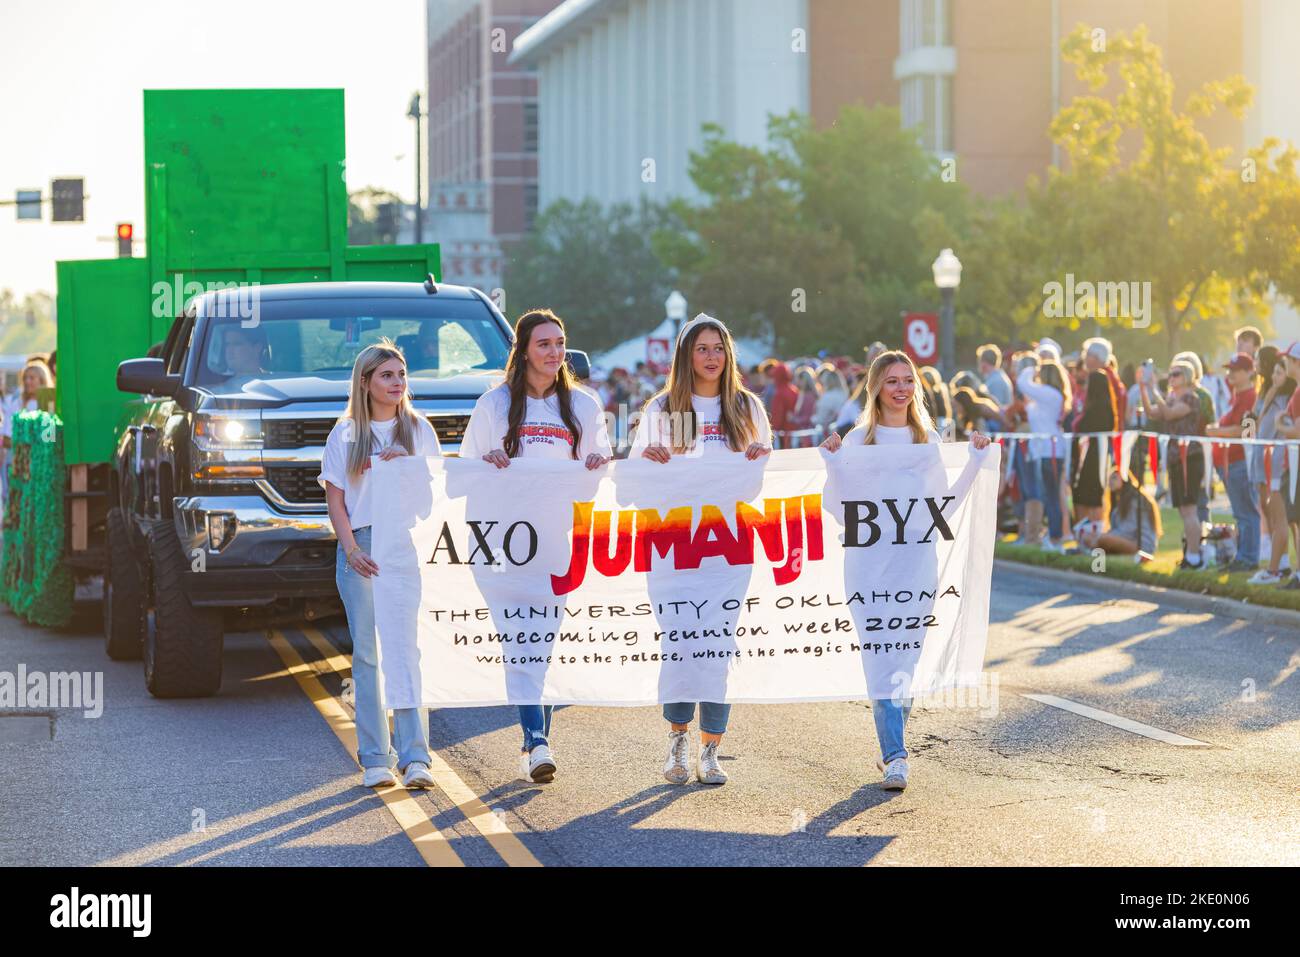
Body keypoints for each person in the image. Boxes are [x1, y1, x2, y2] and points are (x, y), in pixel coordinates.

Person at [821, 351, 990, 791]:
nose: (901, 388)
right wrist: (836, 466)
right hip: (869, 569)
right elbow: (839, 509)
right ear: (876, 387)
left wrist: (973, 463)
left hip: (916, 566)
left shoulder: (927, 439)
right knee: (880, 657)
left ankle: (893, 740)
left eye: (907, 380)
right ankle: (895, 755)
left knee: (906, 660)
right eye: (891, 381)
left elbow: (944, 506)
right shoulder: (857, 442)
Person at [460, 309, 612, 783]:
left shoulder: (584, 406)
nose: (554, 352)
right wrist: (487, 461)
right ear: (523, 349)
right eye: (543, 343)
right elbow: (464, 476)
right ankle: (537, 740)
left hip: (556, 541)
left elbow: (595, 483)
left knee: (540, 645)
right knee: (518, 641)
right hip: (502, 544)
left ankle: (531, 743)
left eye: (560, 343)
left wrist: (592, 465)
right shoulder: (494, 404)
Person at [631, 313, 772, 786]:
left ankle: (711, 748)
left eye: (719, 348)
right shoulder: (663, 409)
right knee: (679, 640)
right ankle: (677, 738)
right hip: (673, 544)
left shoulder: (746, 408)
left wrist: (757, 460)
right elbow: (634, 486)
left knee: (717, 643)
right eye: (702, 348)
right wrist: (647, 459)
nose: (712, 357)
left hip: (729, 545)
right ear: (686, 355)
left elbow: (762, 487)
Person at [319, 339, 442, 790]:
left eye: (402, 374)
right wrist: (351, 549)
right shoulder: (347, 433)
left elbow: (432, 502)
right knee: (368, 653)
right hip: (364, 545)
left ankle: (415, 757)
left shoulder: (419, 431)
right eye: (387, 375)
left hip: (405, 543)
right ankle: (375, 756)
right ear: (366, 382)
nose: (397, 383)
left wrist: (407, 467)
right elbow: (335, 500)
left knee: (405, 650)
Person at [1139, 360, 1207, 568]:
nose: (1171, 378)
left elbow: (1168, 414)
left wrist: (1153, 388)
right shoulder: (1171, 398)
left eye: (1176, 374)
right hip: (1177, 459)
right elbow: (1152, 412)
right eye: (1170, 374)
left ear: (1187, 376)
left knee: (1189, 509)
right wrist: (1143, 387)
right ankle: (1190, 554)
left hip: (1190, 458)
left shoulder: (1190, 398)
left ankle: (1194, 557)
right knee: (1183, 510)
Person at [1205, 353, 1260, 571]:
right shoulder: (1236, 396)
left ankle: (1248, 558)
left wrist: (1216, 431)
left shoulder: (1250, 397)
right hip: (1230, 462)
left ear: (1249, 372)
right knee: (1241, 513)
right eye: (1229, 370)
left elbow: (1246, 431)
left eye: (1235, 370)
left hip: (1240, 461)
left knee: (1246, 512)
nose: (1230, 374)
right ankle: (1243, 556)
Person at [1247, 350, 1295, 585]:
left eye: (1280, 372)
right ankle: (1283, 564)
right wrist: (1272, 391)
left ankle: (1274, 569)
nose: (1274, 377)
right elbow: (1254, 422)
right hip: (1263, 462)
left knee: (1280, 518)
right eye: (1274, 372)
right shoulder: (1268, 394)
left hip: (1277, 463)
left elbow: (1286, 428)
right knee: (1272, 513)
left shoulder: (1287, 400)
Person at [1016, 353, 1072, 550]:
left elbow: (1023, 382)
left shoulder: (1050, 394)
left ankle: (1056, 538)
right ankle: (1053, 535)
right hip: (1044, 450)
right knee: (1048, 494)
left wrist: (1032, 367)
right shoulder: (1045, 397)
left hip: (1052, 450)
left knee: (1052, 495)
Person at [1071, 338, 1120, 528]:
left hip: (1097, 447)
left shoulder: (1104, 378)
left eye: (1090, 355)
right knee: (1087, 490)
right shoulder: (1095, 381)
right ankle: (1087, 529)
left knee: (1094, 490)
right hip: (1092, 446)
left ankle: (1096, 529)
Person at [1077, 470, 1160, 558]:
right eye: (1109, 478)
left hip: (1142, 547)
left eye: (1114, 478)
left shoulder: (1135, 499)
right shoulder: (1121, 501)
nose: (1110, 482)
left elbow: (1128, 530)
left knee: (1103, 539)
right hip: (1129, 541)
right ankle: (1092, 548)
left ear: (1124, 479)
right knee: (1088, 536)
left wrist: (1104, 536)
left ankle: (1091, 550)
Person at [1272, 342, 1300, 590]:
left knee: (1297, 520)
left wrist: (1279, 425)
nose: (1285, 364)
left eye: (1289, 360)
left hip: (1297, 462)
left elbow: (1298, 431)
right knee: (1295, 520)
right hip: (1293, 462)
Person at [813, 362, 849, 431]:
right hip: (843, 429)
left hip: (829, 431)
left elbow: (821, 418)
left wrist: (813, 419)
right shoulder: (846, 393)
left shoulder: (827, 396)